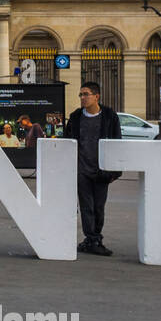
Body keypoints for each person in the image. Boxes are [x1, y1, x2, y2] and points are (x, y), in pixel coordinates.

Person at [63, 81, 121, 256]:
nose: (82, 98)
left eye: (85, 94)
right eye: (80, 95)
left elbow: (116, 143)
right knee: (87, 206)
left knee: (99, 207)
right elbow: (68, 142)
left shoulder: (110, 116)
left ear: (97, 96)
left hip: (102, 170)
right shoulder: (75, 117)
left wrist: (115, 172)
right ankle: (93, 239)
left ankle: (93, 239)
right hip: (82, 169)